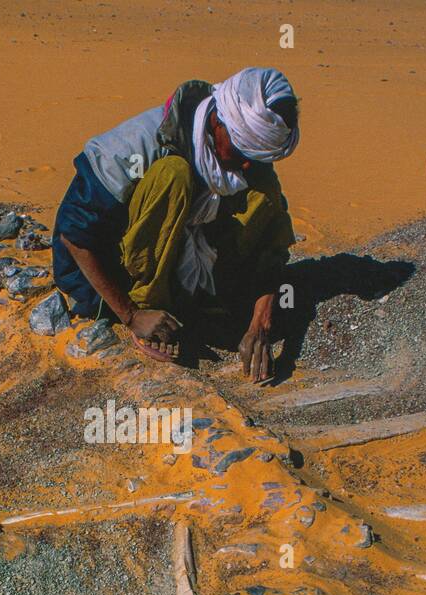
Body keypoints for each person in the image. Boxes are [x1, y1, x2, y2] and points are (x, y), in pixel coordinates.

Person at [51, 67, 300, 382]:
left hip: (196, 269)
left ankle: (201, 300)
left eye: (257, 153)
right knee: (173, 175)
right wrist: (130, 314)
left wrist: (259, 325)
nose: (248, 163)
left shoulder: (246, 163)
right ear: (216, 121)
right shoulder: (133, 148)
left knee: (264, 190)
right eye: (242, 150)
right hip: (116, 275)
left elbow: (272, 246)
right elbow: (74, 237)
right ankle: (150, 307)